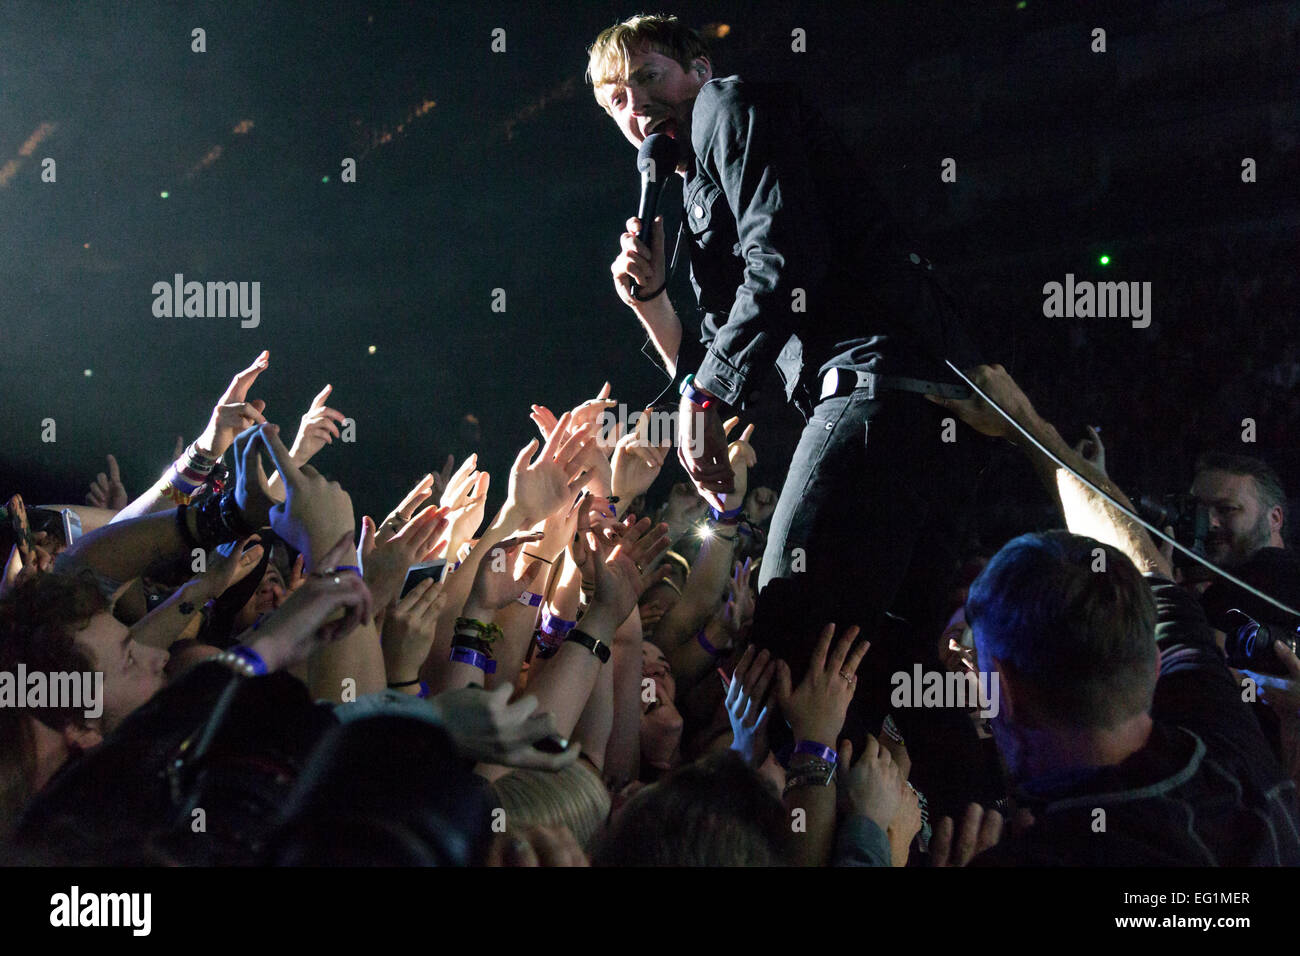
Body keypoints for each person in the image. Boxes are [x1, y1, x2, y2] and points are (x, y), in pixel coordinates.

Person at [589, 14, 980, 708]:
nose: (635, 104)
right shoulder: (701, 185)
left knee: (785, 637)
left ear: (698, 71)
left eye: (647, 76)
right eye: (616, 98)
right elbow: (730, 352)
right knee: (892, 658)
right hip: (906, 409)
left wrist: (704, 401)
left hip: (874, 388)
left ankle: (782, 801)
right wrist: (651, 301)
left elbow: (785, 266)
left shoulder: (727, 107)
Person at [931, 364, 1300, 865]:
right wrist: (1023, 421)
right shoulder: (1226, 746)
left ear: (1006, 691)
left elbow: (1141, 564)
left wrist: (1024, 419)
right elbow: (1141, 561)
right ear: (1153, 663)